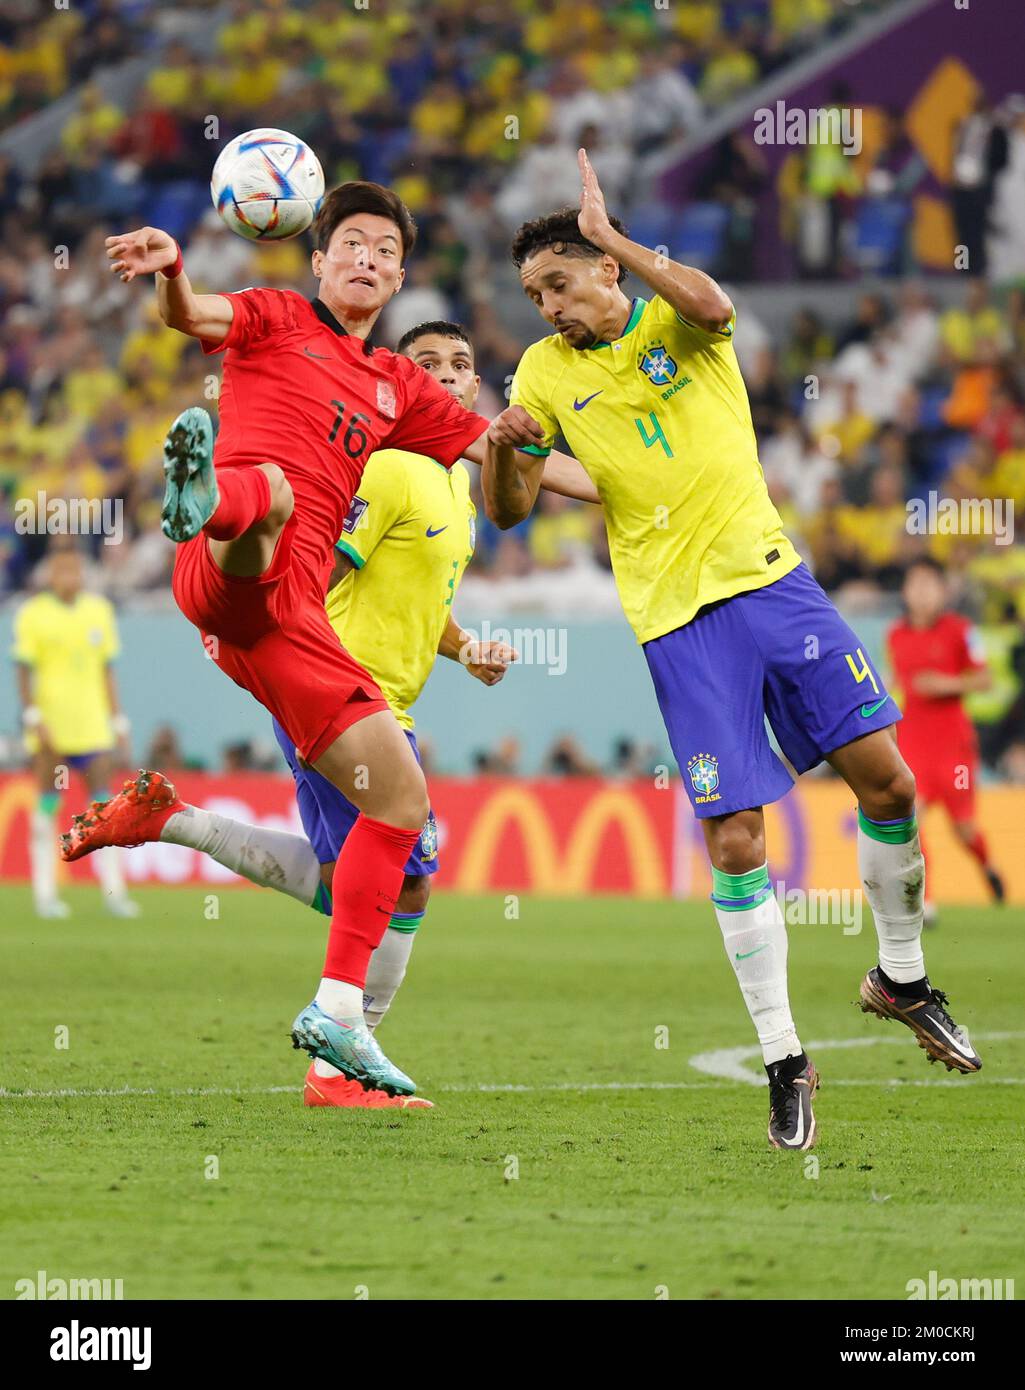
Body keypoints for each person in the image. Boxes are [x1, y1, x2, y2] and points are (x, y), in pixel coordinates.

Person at [482, 149, 983, 1152]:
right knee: (737, 839)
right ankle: (782, 1058)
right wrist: (503, 450)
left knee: (886, 786)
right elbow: (510, 511)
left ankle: (898, 978)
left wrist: (615, 232)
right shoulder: (541, 373)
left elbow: (712, 307)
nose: (546, 306)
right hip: (678, 622)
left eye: (561, 281)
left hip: (772, 583)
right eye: (533, 292)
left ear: (607, 268)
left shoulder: (674, 317)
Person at [62, 321, 520, 1110]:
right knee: (403, 875)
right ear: (399, 396)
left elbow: (407, 592)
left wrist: (462, 645)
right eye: (425, 366)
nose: (446, 376)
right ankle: (338, 1068)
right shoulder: (388, 472)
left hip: (384, 699)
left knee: (371, 881)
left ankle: (173, 821)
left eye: (460, 365)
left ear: (476, 389)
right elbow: (314, 578)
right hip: (336, 688)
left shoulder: (453, 485)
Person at [12, 545, 137, 919]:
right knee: (49, 804)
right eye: (61, 570)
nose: (69, 577)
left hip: (93, 726)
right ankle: (45, 893)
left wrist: (118, 721)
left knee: (104, 808)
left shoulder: (98, 611)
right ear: (50, 576)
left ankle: (114, 893)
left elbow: (107, 670)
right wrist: (33, 715)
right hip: (51, 728)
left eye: (75, 570)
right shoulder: (33, 614)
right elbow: (23, 668)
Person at [887, 557, 1004, 923]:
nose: (921, 593)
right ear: (905, 591)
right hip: (914, 744)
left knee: (964, 828)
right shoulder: (895, 635)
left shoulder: (961, 631)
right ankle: (927, 902)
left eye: (928, 585)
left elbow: (986, 680)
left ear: (942, 590)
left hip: (954, 747)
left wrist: (945, 684)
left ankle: (989, 867)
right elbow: (896, 682)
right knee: (911, 823)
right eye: (914, 585)